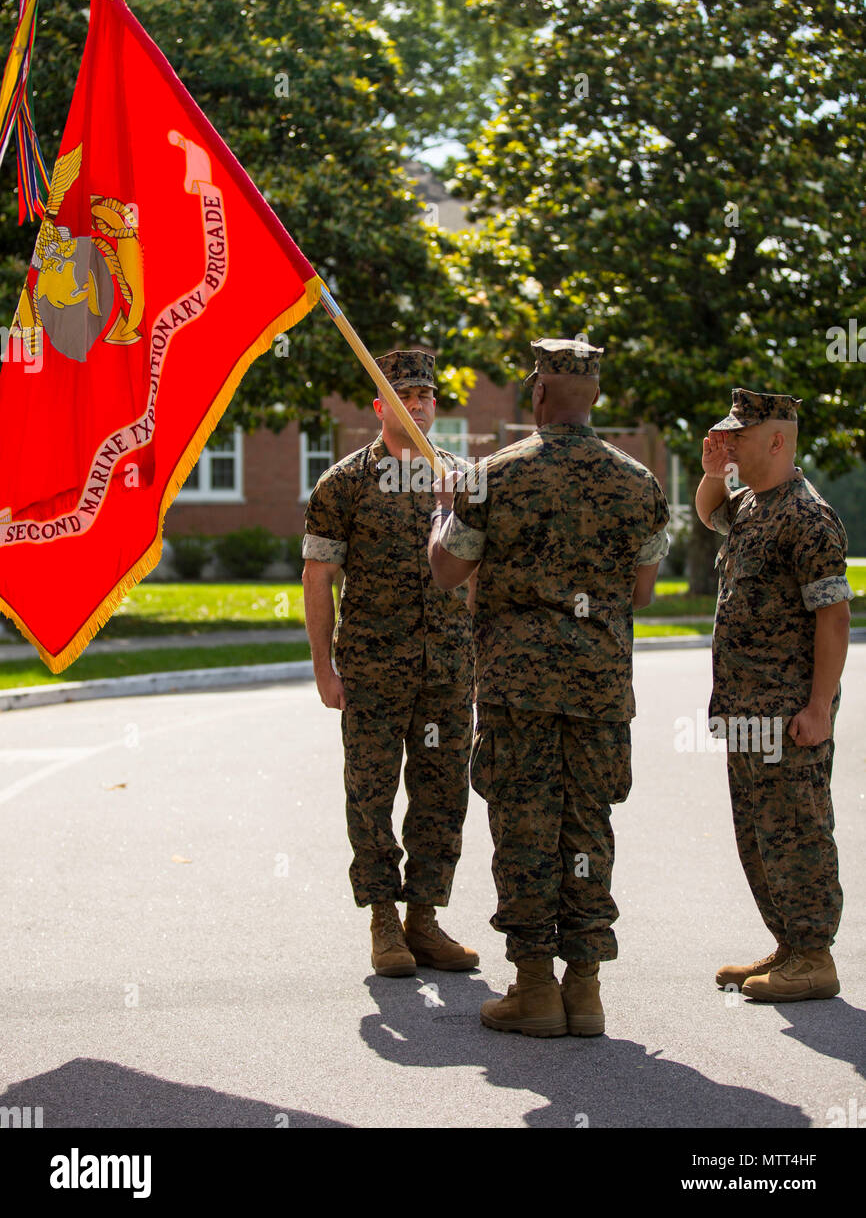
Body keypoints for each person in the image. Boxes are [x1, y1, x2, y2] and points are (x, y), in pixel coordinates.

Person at [428, 337, 670, 1037]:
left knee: (527, 831)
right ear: (593, 396)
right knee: (588, 829)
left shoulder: (491, 478)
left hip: (517, 689)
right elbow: (645, 591)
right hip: (599, 689)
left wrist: (446, 511)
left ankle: (534, 989)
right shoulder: (639, 482)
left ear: (538, 393)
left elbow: (446, 574)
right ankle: (585, 990)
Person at [302, 349, 478, 978]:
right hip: (374, 668)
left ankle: (424, 917)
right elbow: (319, 577)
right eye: (405, 394)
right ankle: (383, 917)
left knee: (442, 791)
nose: (420, 404)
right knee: (370, 791)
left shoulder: (463, 480)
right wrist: (324, 668)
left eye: (428, 395)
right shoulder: (343, 484)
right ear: (381, 407)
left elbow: (480, 573)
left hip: (450, 669)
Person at [695, 388, 852, 1002]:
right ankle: (789, 944)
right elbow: (711, 513)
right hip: (744, 710)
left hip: (788, 715)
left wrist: (818, 708)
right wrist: (714, 472)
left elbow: (833, 618)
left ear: (778, 440)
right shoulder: (754, 504)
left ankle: (814, 955)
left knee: (797, 831)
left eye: (741, 435)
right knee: (759, 832)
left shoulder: (807, 517)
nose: (729, 442)